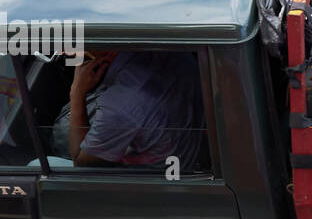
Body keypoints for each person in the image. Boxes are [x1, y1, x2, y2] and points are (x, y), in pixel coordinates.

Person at [50, 50, 205, 171]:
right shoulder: (169, 50)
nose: (65, 53)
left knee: (39, 164)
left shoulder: (120, 107)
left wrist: (77, 92)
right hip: (187, 146)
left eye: (71, 48)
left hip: (157, 178)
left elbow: (81, 163)